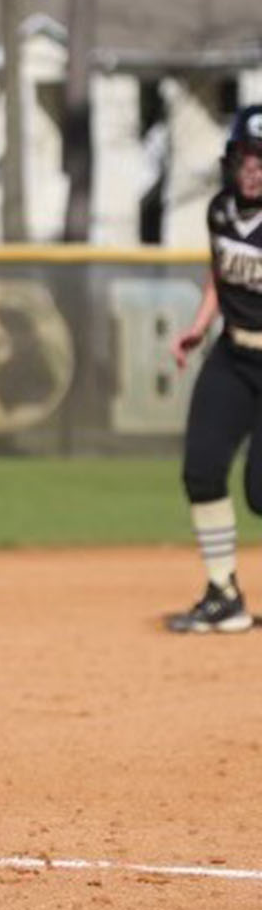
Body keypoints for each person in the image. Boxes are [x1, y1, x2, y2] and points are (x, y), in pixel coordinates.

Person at [166, 104, 262, 633]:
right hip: (231, 354)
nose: (254, 168)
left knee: (260, 492)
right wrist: (200, 325)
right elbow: (219, 275)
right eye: (247, 156)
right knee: (201, 470)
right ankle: (223, 593)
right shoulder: (222, 211)